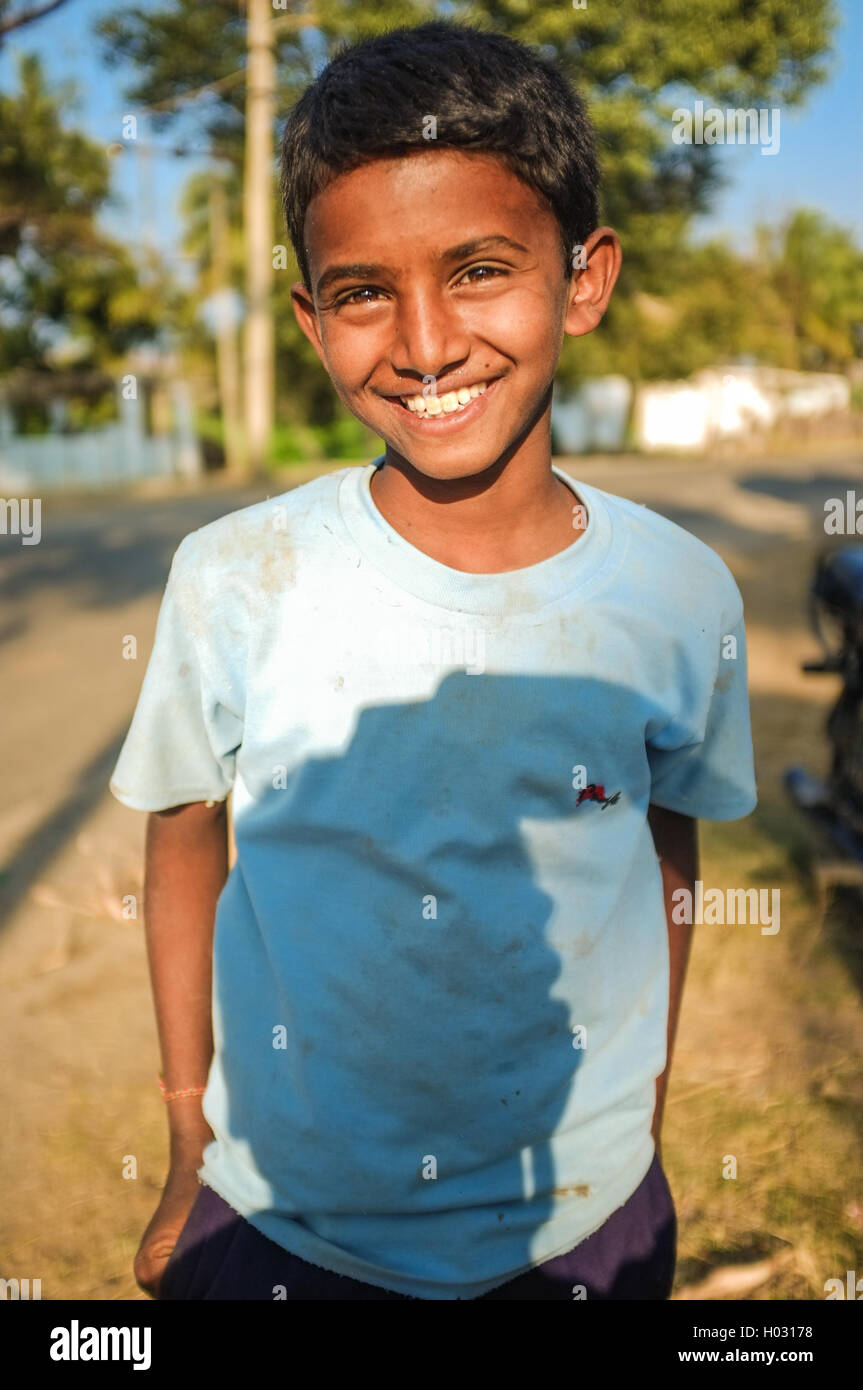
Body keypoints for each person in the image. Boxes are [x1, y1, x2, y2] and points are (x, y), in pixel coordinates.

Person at [110, 20, 757, 1301]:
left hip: (581, 1221)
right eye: (363, 291)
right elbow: (185, 824)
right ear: (311, 317)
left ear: (582, 277)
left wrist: (644, 1107)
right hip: (287, 1221)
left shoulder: (682, 591)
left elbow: (662, 845)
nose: (422, 343)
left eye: (476, 270)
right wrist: (190, 1131)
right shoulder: (235, 573)